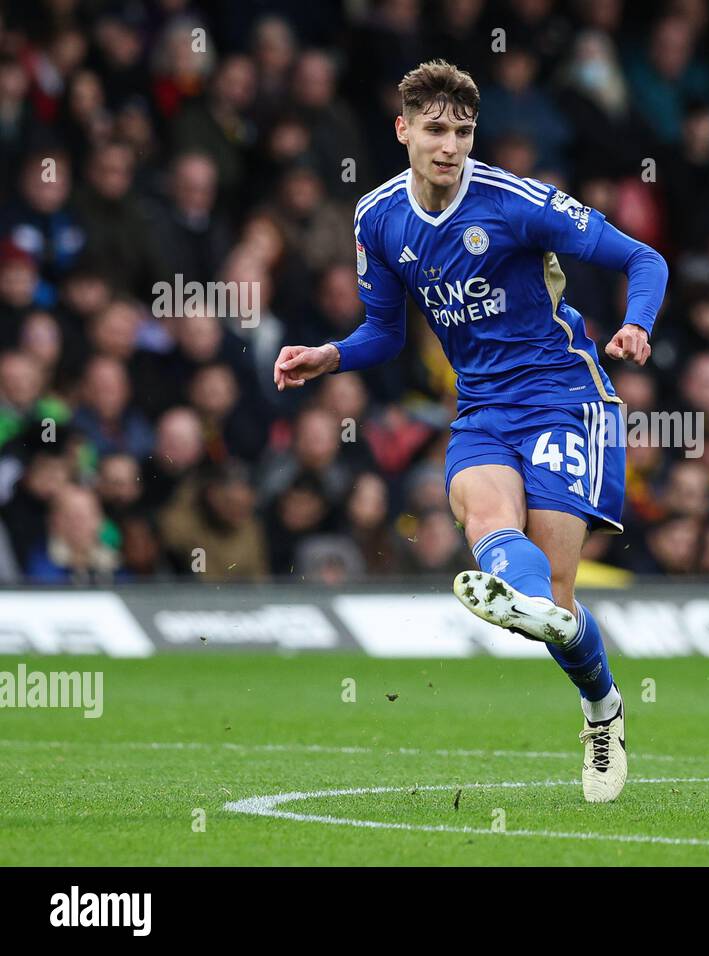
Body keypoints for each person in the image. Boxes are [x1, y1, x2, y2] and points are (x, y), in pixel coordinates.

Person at [271, 60, 668, 803]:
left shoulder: (516, 203)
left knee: (555, 595)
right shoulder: (378, 219)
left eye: (462, 131)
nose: (450, 145)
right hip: (483, 407)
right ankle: (519, 602)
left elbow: (642, 257)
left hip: (563, 397)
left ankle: (601, 710)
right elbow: (386, 333)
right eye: (435, 130)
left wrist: (637, 326)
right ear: (403, 131)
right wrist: (330, 355)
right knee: (485, 515)